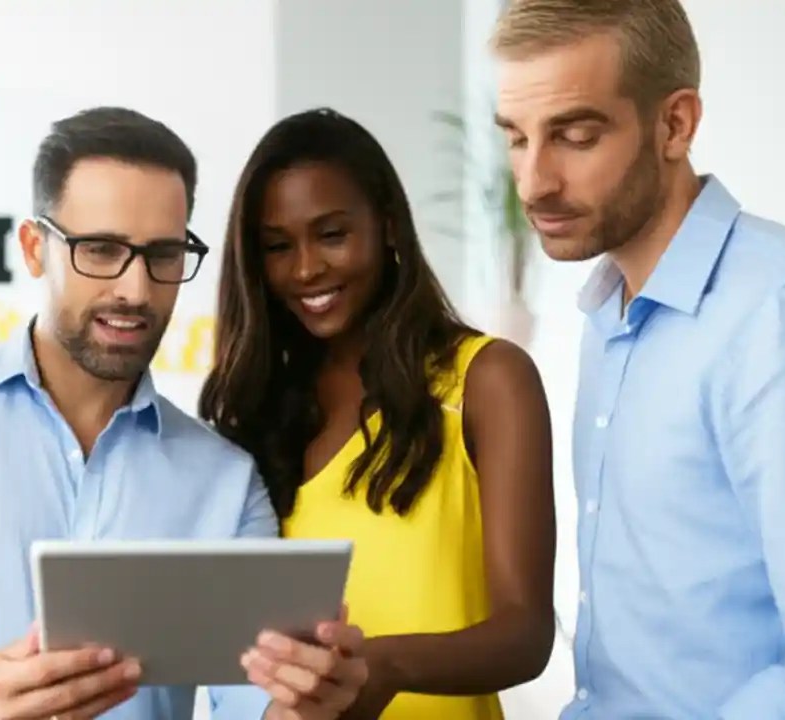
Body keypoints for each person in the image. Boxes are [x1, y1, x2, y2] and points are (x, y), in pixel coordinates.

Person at [0, 106, 368, 720]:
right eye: (100, 250)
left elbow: (251, 703)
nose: (134, 289)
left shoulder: (225, 481)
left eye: (164, 254)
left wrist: (306, 704)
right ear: (34, 248)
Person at [490, 1, 785, 718]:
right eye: (516, 138)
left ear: (676, 124)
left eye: (574, 136)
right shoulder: (607, 315)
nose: (534, 181)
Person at [199, 107, 557, 720]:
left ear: (388, 226)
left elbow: (526, 635)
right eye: (278, 247)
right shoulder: (256, 413)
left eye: (333, 234)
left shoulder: (488, 381)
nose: (307, 268)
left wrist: (385, 665)